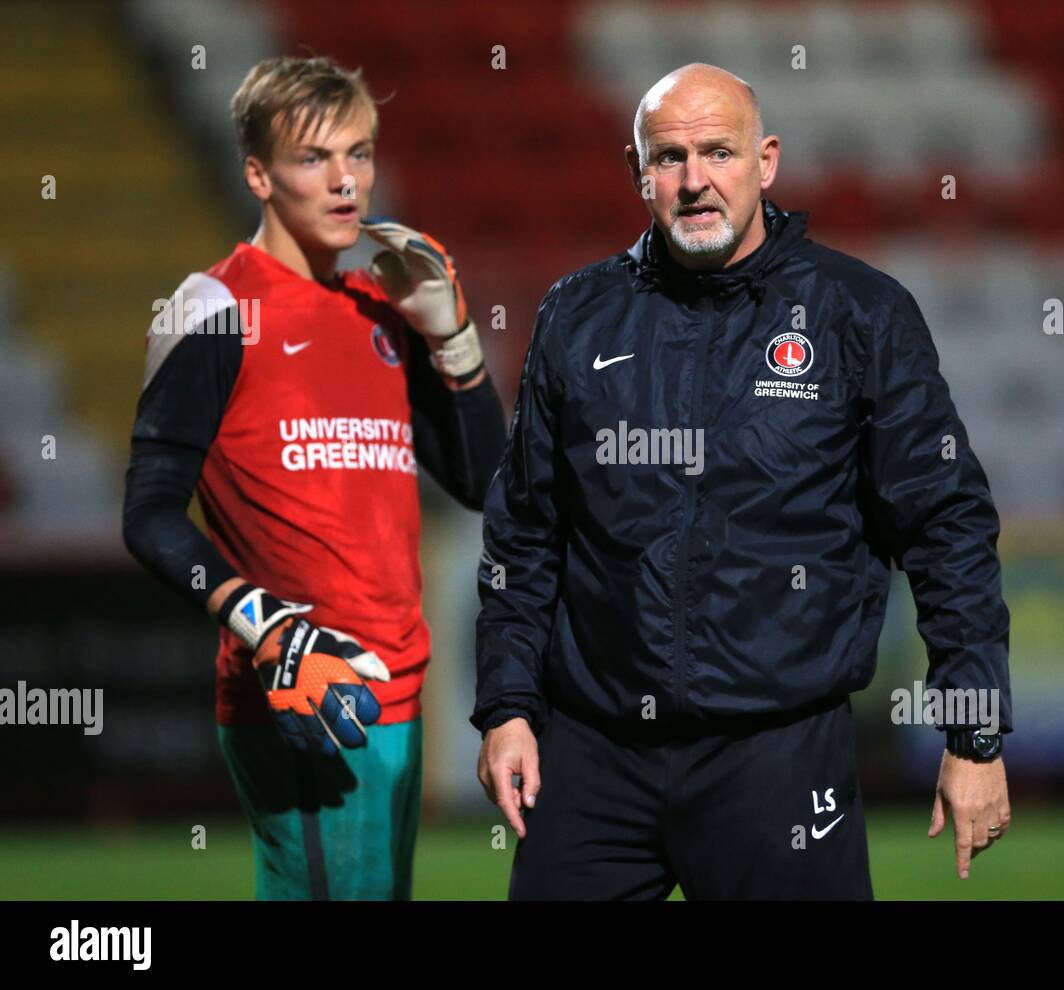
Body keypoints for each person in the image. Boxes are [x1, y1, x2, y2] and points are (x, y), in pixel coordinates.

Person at [474, 63, 1012, 900]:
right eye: (668, 158)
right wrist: (508, 706)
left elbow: (946, 525)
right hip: (593, 755)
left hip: (780, 756)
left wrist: (974, 736)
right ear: (636, 170)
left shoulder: (858, 313)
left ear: (765, 162)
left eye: (717, 153)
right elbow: (525, 532)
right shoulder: (575, 315)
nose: (694, 182)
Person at [122, 55, 505, 900]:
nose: (346, 183)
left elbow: (484, 480)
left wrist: (452, 337)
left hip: (402, 691)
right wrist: (266, 626)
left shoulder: (382, 307)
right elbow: (148, 514)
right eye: (313, 159)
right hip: (302, 688)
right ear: (257, 174)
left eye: (360, 154)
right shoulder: (215, 308)